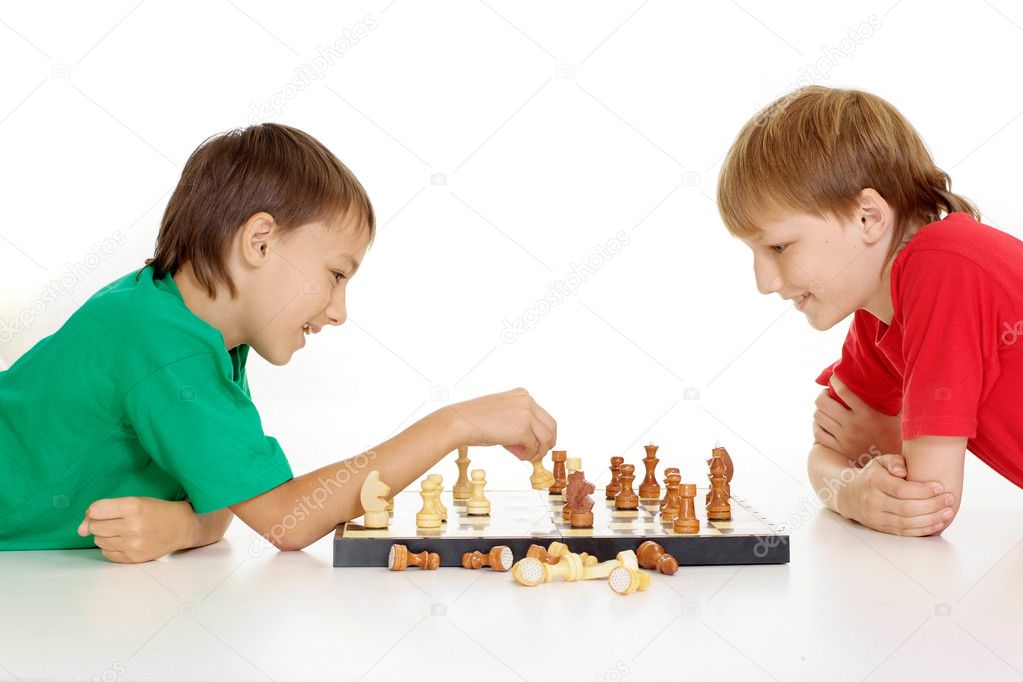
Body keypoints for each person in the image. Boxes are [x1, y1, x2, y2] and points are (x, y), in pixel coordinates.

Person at [0, 123, 557, 562]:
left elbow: (233, 495)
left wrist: (185, 525)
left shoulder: (199, 333)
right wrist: (455, 423)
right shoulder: (161, 344)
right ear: (261, 242)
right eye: (336, 275)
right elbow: (286, 519)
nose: (339, 312)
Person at [716, 86, 1023, 536]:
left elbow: (930, 499)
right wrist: (852, 491)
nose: (765, 282)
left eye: (778, 246)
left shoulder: (942, 268)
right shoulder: (878, 318)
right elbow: (826, 451)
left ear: (868, 217)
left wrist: (883, 442)